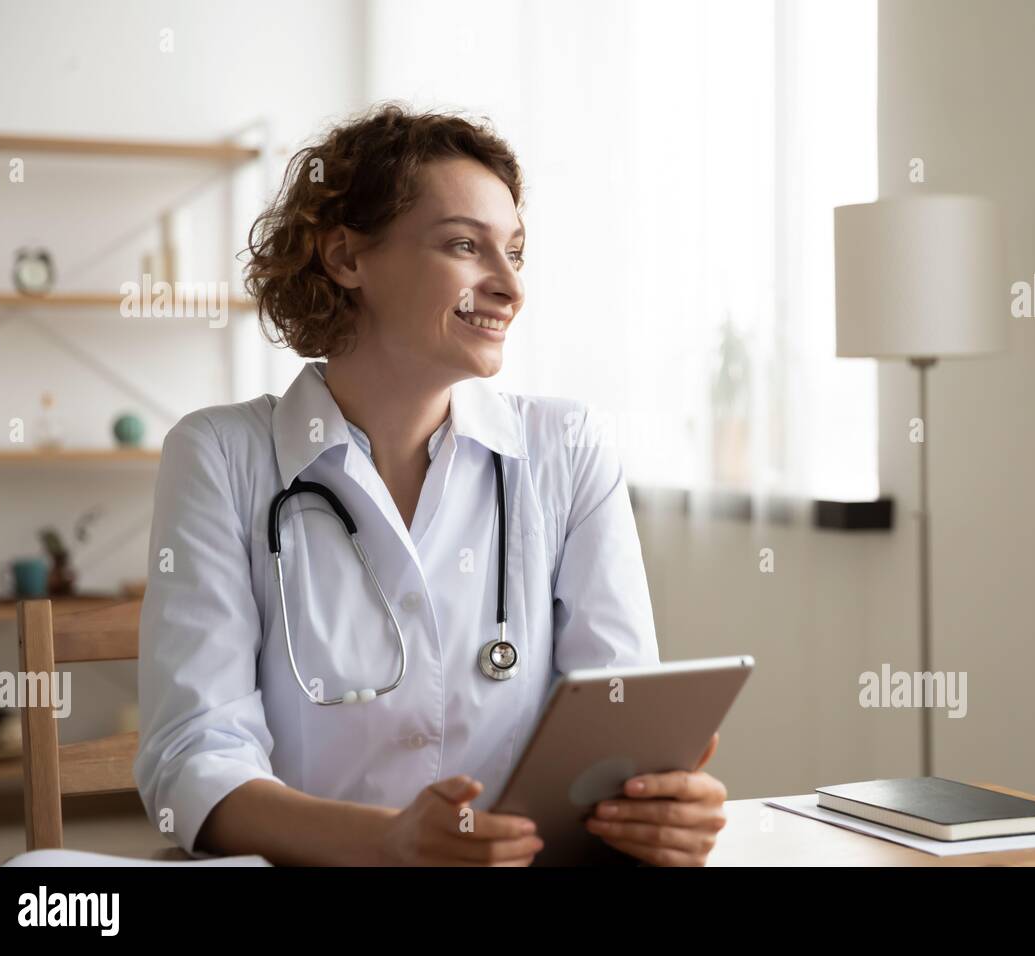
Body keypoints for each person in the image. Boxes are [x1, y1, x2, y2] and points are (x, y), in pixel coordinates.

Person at [133, 102, 727, 866]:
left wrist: (657, 806)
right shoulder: (220, 455)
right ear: (346, 258)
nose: (510, 287)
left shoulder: (566, 449)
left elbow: (617, 719)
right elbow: (193, 759)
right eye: (463, 245)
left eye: (515, 251)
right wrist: (389, 843)